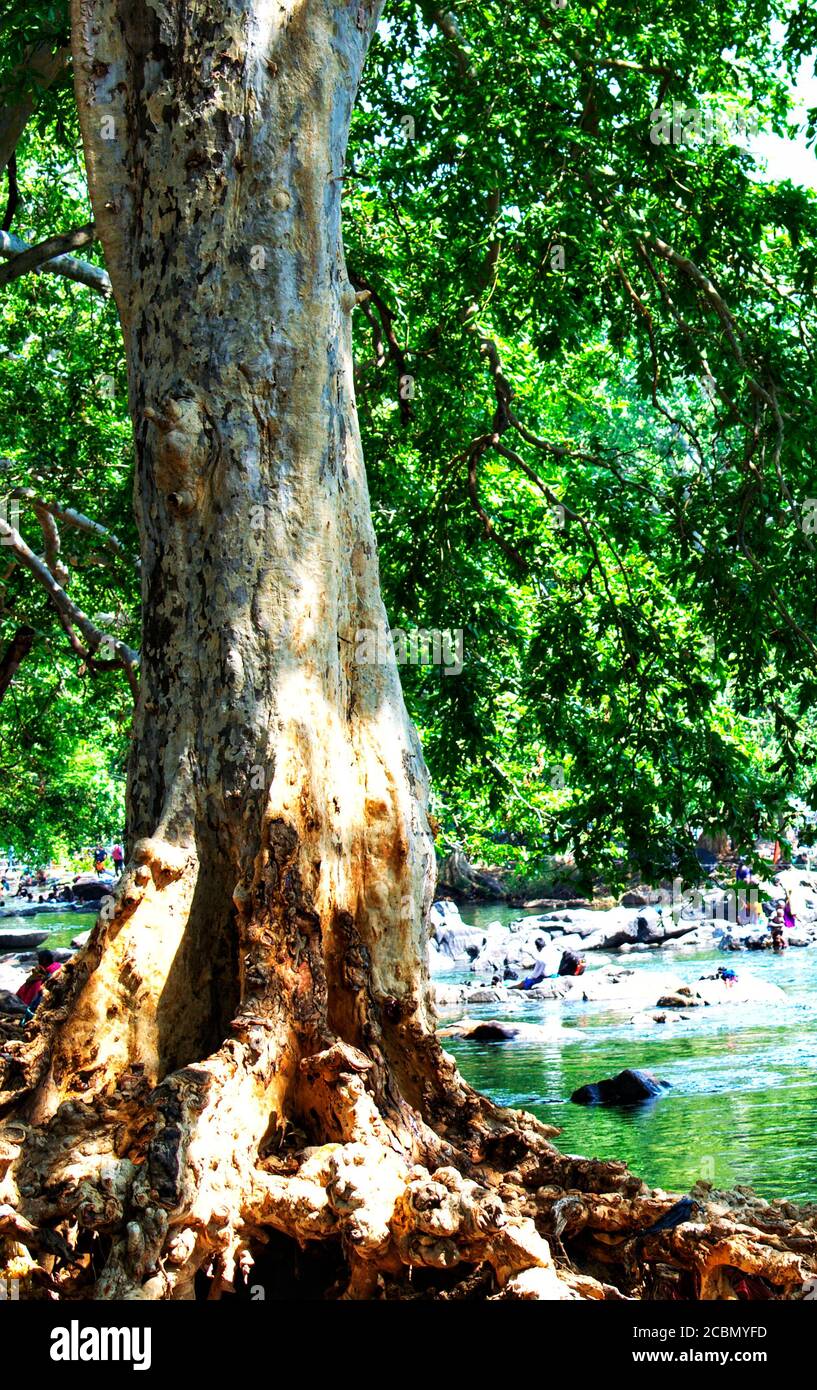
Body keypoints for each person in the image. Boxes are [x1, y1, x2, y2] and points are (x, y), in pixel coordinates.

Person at [16, 950, 62, 1022]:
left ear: (44, 960)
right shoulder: (55, 965)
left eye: (39, 959)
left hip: (49, 993)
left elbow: (45, 979)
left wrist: (34, 978)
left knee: (35, 984)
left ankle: (27, 1003)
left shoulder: (51, 969)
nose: (38, 961)